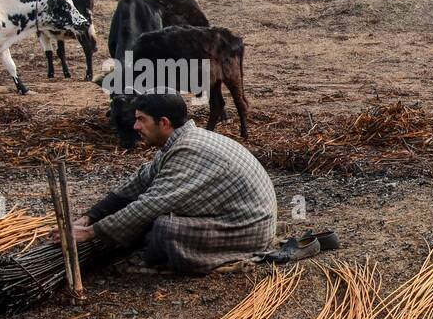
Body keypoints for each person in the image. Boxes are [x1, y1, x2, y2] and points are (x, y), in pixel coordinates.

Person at [68, 91, 278, 274]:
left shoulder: (188, 152)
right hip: (240, 217)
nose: (135, 126)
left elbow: (149, 204)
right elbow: (140, 181)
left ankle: (214, 261)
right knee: (147, 221)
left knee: (163, 228)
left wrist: (90, 233)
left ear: (164, 123)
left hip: (251, 231)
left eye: (141, 120)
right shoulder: (180, 141)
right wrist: (89, 217)